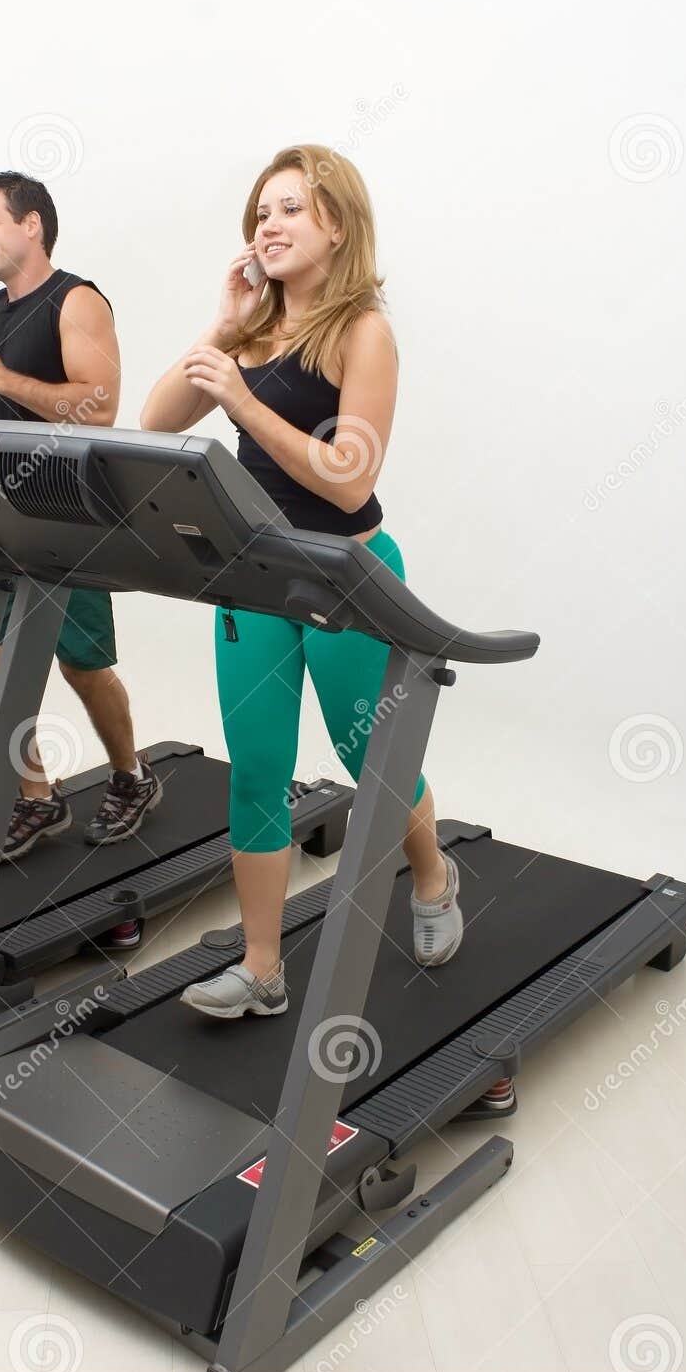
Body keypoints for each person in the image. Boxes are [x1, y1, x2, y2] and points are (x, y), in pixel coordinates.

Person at [141, 144, 463, 1018]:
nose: (268, 225)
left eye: (289, 208)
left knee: (371, 761)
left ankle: (432, 875)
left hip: (346, 576)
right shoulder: (247, 333)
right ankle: (261, 969)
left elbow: (351, 480)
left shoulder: (363, 332)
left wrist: (243, 404)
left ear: (337, 226)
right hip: (253, 578)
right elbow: (156, 420)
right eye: (260, 212)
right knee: (256, 770)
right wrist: (220, 325)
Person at [0, 170, 160, 947]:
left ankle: (130, 776)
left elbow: (100, 405)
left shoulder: (76, 300)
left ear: (32, 225)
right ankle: (38, 796)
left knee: (82, 666)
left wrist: (1, 378)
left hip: (72, 512)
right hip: (6, 508)